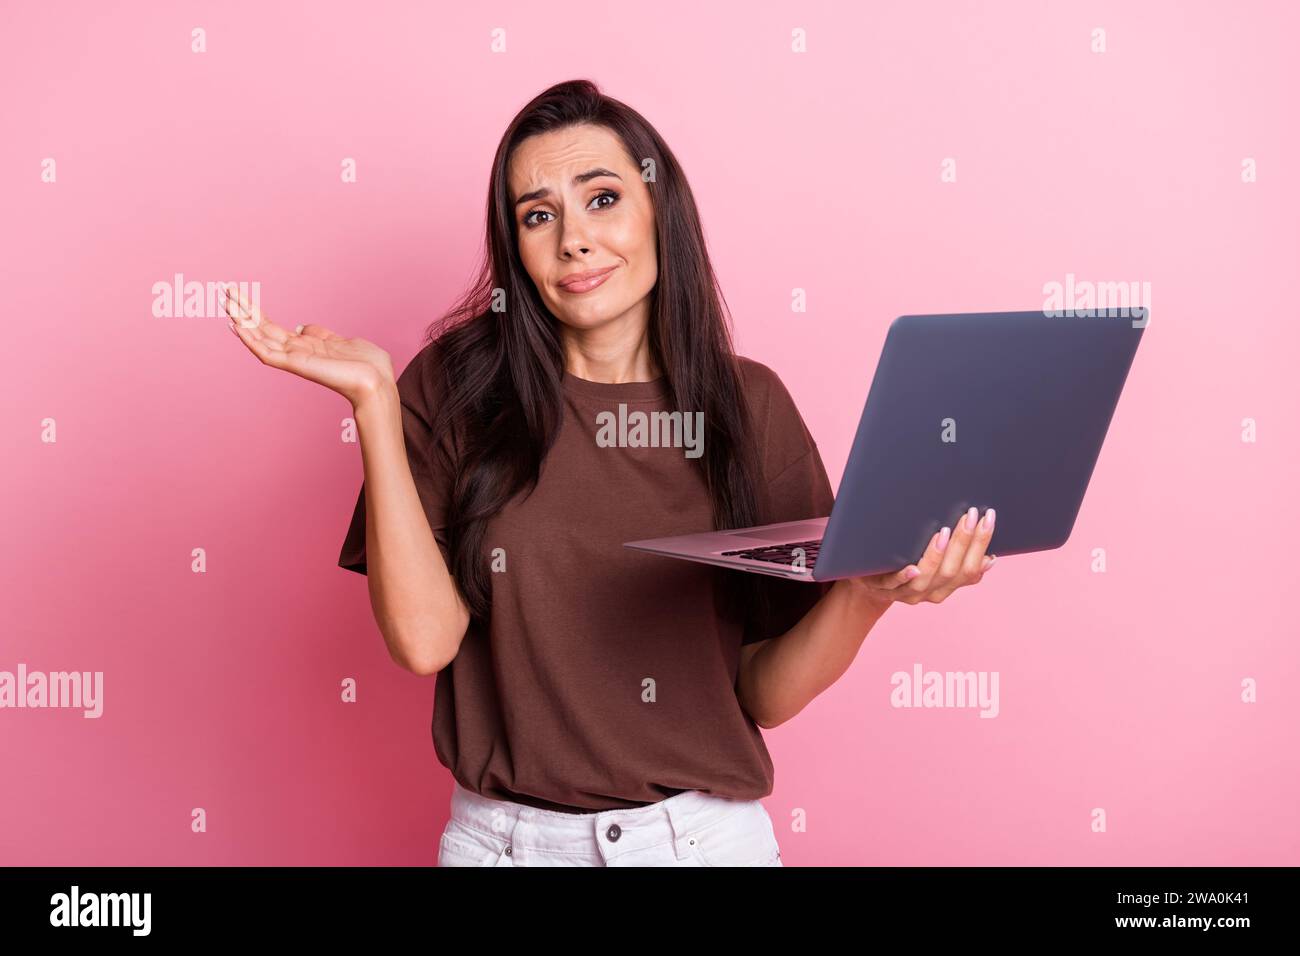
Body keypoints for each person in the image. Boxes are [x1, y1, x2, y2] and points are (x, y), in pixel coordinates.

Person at [224, 79, 997, 867]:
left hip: (702, 845)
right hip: (506, 848)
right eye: (538, 215)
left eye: (601, 199)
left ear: (661, 211)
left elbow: (764, 692)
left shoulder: (749, 407)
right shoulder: (449, 391)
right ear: (516, 249)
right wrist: (376, 407)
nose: (573, 241)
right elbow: (425, 642)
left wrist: (868, 595)